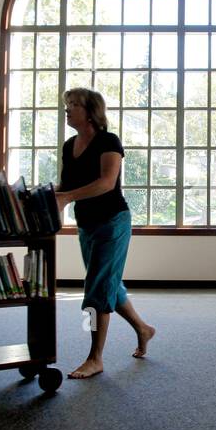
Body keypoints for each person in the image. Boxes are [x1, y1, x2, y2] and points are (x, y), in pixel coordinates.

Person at [54, 87, 155, 379]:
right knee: (108, 283)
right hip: (86, 225)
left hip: (112, 222)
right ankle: (143, 329)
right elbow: (64, 185)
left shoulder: (108, 141)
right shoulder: (69, 144)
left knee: (95, 290)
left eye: (73, 104)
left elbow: (107, 183)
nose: (68, 109)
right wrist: (44, 194)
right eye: (67, 104)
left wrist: (68, 197)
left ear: (90, 111)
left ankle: (95, 358)